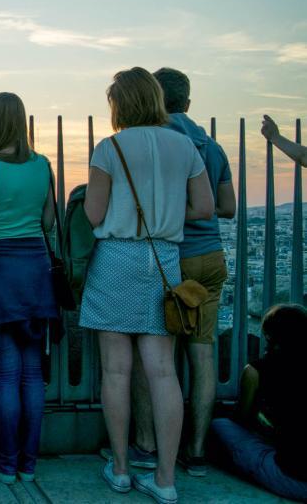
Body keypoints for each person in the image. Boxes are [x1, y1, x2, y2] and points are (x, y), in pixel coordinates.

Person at [80, 68, 214, 504]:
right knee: (163, 370)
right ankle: (166, 478)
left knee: (116, 371)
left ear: (118, 104)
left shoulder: (110, 147)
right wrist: (166, 214)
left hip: (117, 258)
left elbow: (95, 215)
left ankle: (120, 469)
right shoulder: (185, 146)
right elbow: (206, 207)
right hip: (164, 260)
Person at [121, 68, 236, 477]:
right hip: (209, 258)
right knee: (202, 354)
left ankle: (147, 444)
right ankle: (198, 452)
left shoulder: (153, 142)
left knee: (150, 355)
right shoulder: (212, 146)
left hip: (167, 259)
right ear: (188, 102)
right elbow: (227, 207)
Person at [0, 93, 58, 485]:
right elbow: (49, 222)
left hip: (0, 271)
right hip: (36, 271)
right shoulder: (43, 165)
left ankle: (5, 464)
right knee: (33, 374)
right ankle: (29, 464)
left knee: (6, 373)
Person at [209, 303, 307, 501]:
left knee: (219, 426)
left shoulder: (256, 371)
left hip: (294, 479)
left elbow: (241, 419)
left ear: (270, 336)